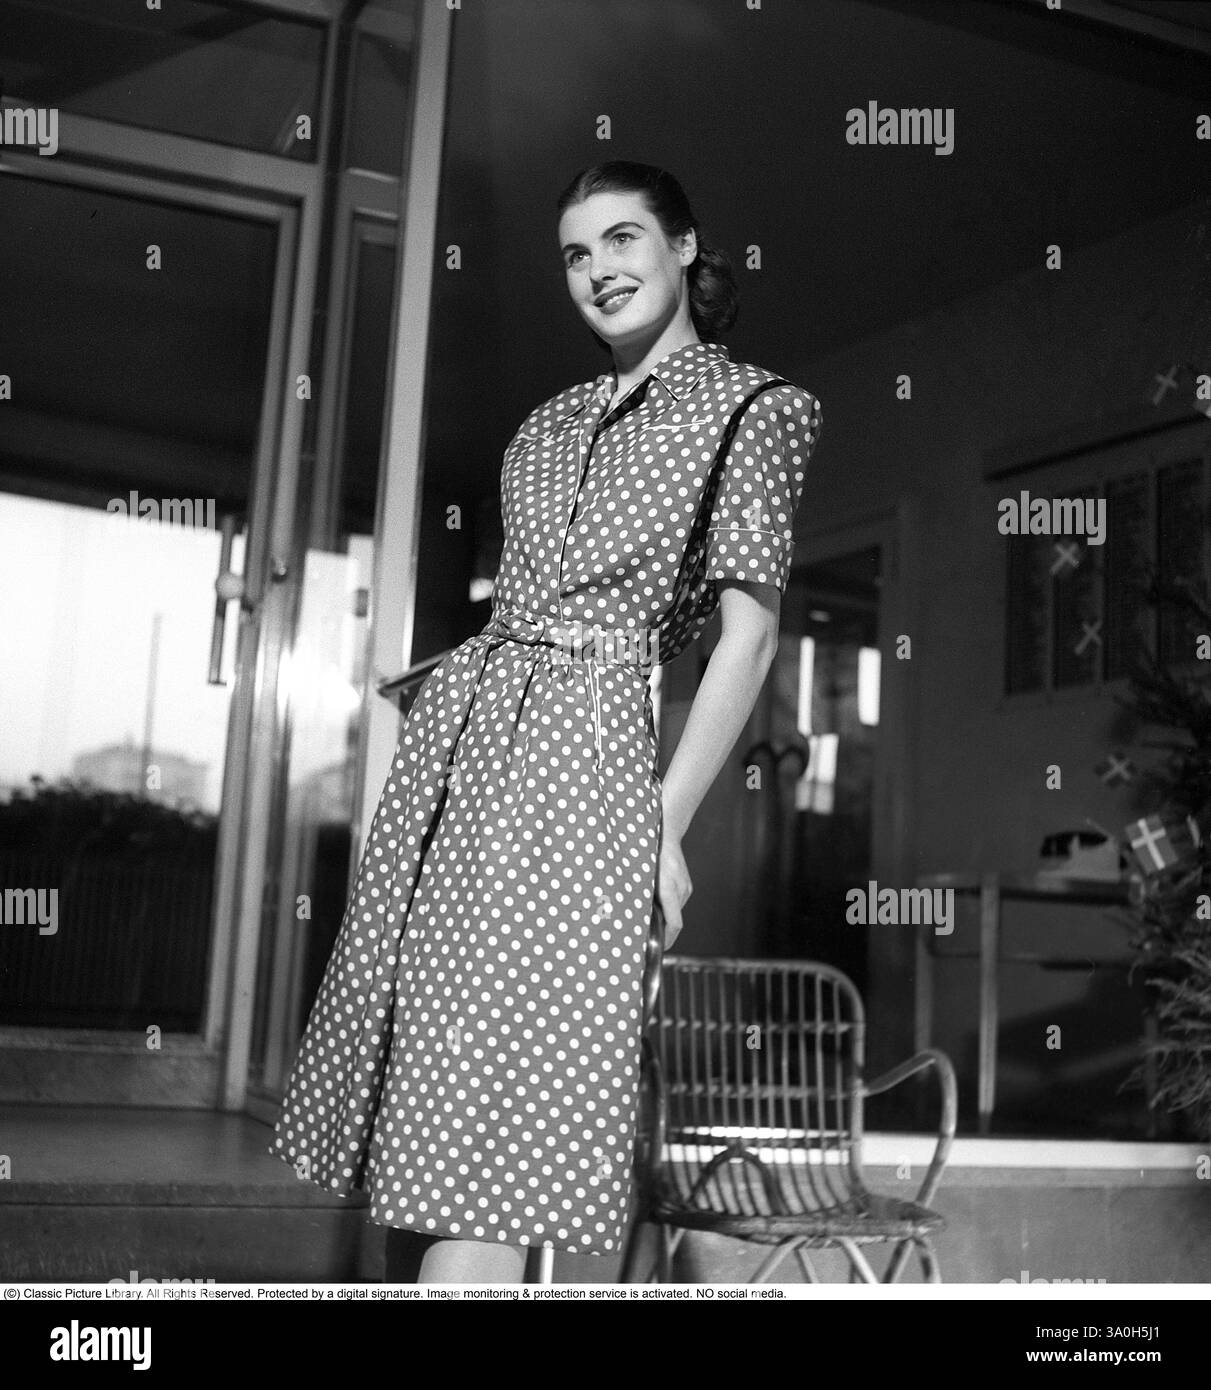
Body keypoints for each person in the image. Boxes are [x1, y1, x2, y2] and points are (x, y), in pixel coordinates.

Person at [270, 160, 822, 1284]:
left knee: (509, 1107)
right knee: (433, 1075)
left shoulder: (755, 410)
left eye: (623, 240)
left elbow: (747, 640)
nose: (599, 270)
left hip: (588, 765)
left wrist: (658, 827)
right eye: (577, 254)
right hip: (466, 758)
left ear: (685, 248)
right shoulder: (545, 425)